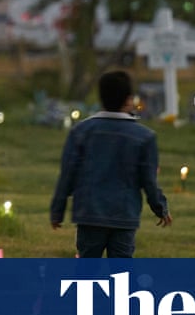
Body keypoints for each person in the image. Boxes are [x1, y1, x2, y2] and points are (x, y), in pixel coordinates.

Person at [49, 71, 172, 258]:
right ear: (129, 100)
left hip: (89, 213)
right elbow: (149, 180)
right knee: (121, 273)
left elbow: (68, 174)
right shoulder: (144, 137)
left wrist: (57, 209)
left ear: (101, 97)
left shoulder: (81, 132)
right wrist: (160, 208)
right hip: (124, 214)